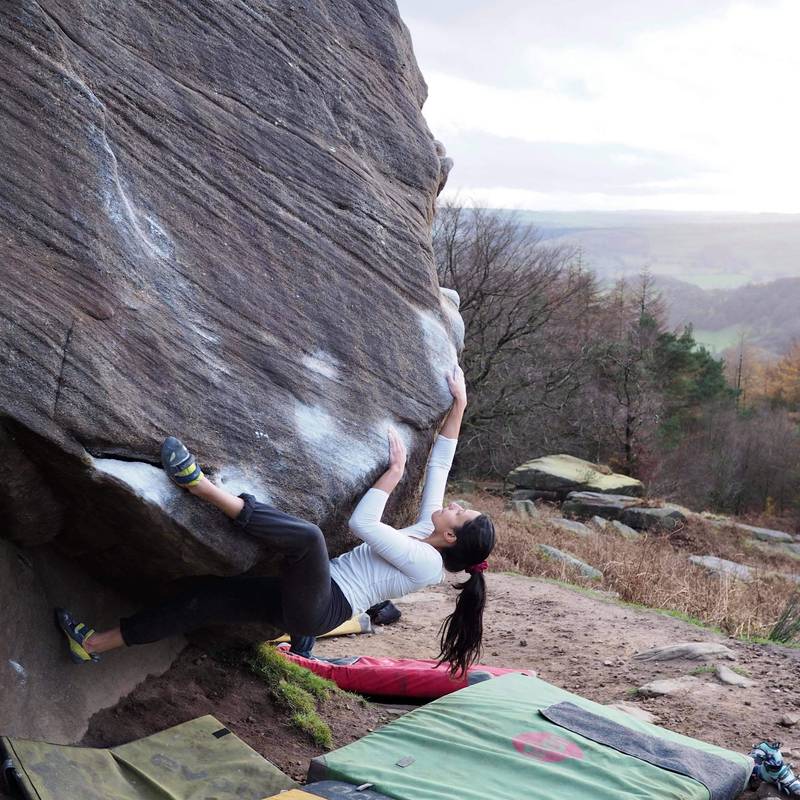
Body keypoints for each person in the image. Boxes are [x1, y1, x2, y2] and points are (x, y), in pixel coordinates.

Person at [56, 366, 495, 676]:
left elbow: (363, 524)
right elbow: (440, 464)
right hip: (308, 597)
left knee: (309, 538)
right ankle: (91, 644)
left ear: (450, 535)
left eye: (460, 513)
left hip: (322, 607)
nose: (455, 504)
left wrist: (393, 475)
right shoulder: (428, 533)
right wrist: (460, 403)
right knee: (205, 600)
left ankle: (200, 487)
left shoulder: (426, 564)